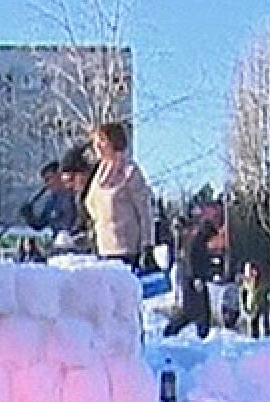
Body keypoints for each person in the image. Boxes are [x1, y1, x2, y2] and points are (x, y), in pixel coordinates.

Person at [84, 123, 155, 271]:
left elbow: (145, 211)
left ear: (114, 142)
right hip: (103, 248)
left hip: (126, 249)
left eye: (102, 140)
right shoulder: (98, 172)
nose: (97, 146)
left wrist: (147, 244)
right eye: (95, 141)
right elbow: (91, 204)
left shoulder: (130, 171)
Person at [163, 219, 214, 340]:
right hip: (193, 280)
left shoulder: (194, 238)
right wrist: (197, 277)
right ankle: (172, 330)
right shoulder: (197, 241)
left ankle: (202, 333)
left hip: (191, 279)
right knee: (195, 310)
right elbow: (191, 260)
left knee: (199, 310)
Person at [22, 161, 79, 234]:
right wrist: (29, 216)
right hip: (60, 241)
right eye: (45, 181)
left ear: (60, 175)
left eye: (48, 179)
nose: (47, 184)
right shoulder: (52, 200)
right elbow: (40, 224)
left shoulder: (76, 195)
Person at [240, 261, 270, 339]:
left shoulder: (261, 282)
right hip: (251, 306)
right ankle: (254, 338)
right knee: (253, 324)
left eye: (254, 270)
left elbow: (265, 292)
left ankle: (267, 336)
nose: (253, 272)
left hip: (261, 305)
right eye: (251, 270)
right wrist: (244, 306)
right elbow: (243, 295)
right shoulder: (246, 283)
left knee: (264, 322)